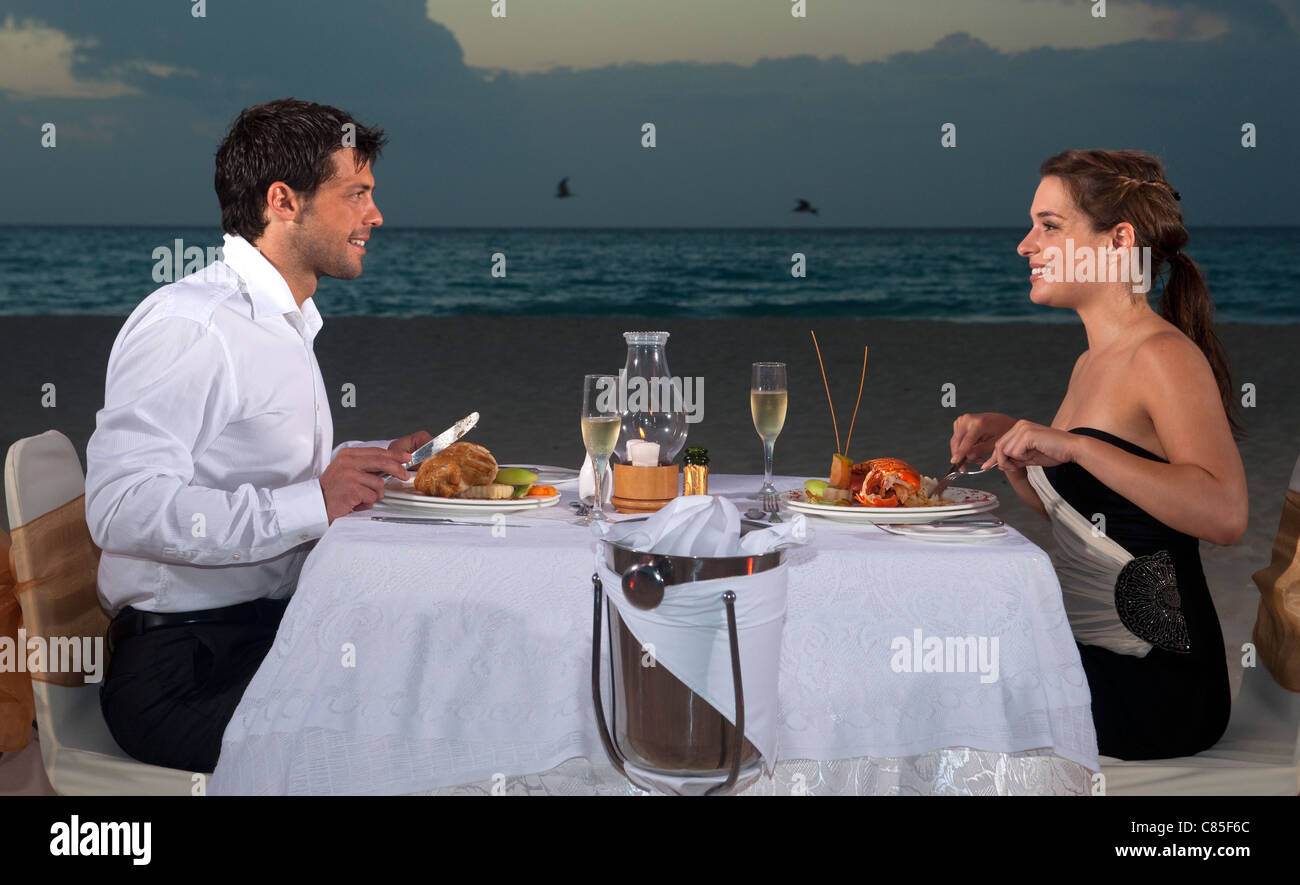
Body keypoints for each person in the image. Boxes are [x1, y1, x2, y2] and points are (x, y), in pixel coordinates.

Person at [85, 98, 432, 773]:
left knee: (438, 673)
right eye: (355, 193)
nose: (376, 215)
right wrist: (313, 502)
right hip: (180, 676)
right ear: (284, 201)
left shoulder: (281, 322)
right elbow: (120, 506)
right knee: (416, 734)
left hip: (257, 638)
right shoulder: (195, 326)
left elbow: (238, 470)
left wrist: (354, 468)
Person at [949, 149, 1247, 760]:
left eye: (1049, 226)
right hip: (1095, 651)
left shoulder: (1162, 356)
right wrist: (1020, 454)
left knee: (955, 679)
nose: (1025, 246)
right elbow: (1092, 522)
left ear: (1118, 241)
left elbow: (1225, 514)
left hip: (1161, 681)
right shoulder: (1091, 363)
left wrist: (1077, 447)